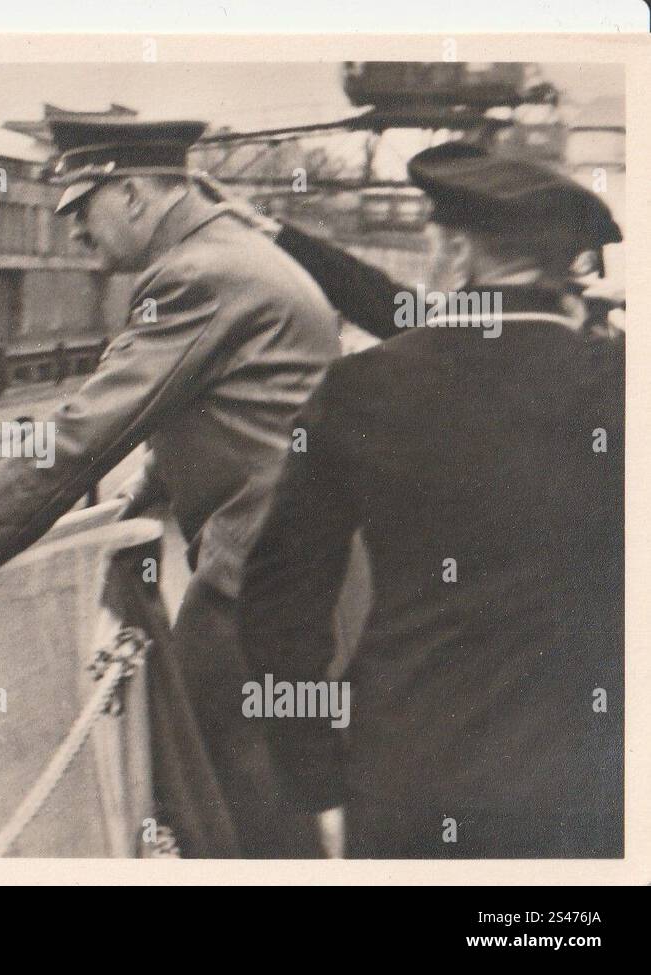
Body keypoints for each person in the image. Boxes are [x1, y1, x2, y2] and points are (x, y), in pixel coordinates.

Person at [0, 118, 385, 857]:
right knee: (252, 790)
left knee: (220, 784)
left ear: (132, 193)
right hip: (306, 570)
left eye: (81, 208)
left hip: (265, 585)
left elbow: (83, 435)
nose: (76, 233)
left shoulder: (195, 276)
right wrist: (144, 497)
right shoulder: (234, 255)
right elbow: (221, 414)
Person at [238, 141, 624, 858]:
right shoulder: (623, 386)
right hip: (593, 791)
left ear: (453, 252)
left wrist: (313, 774)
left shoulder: (362, 389)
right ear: (566, 268)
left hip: (406, 782)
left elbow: (276, 599)